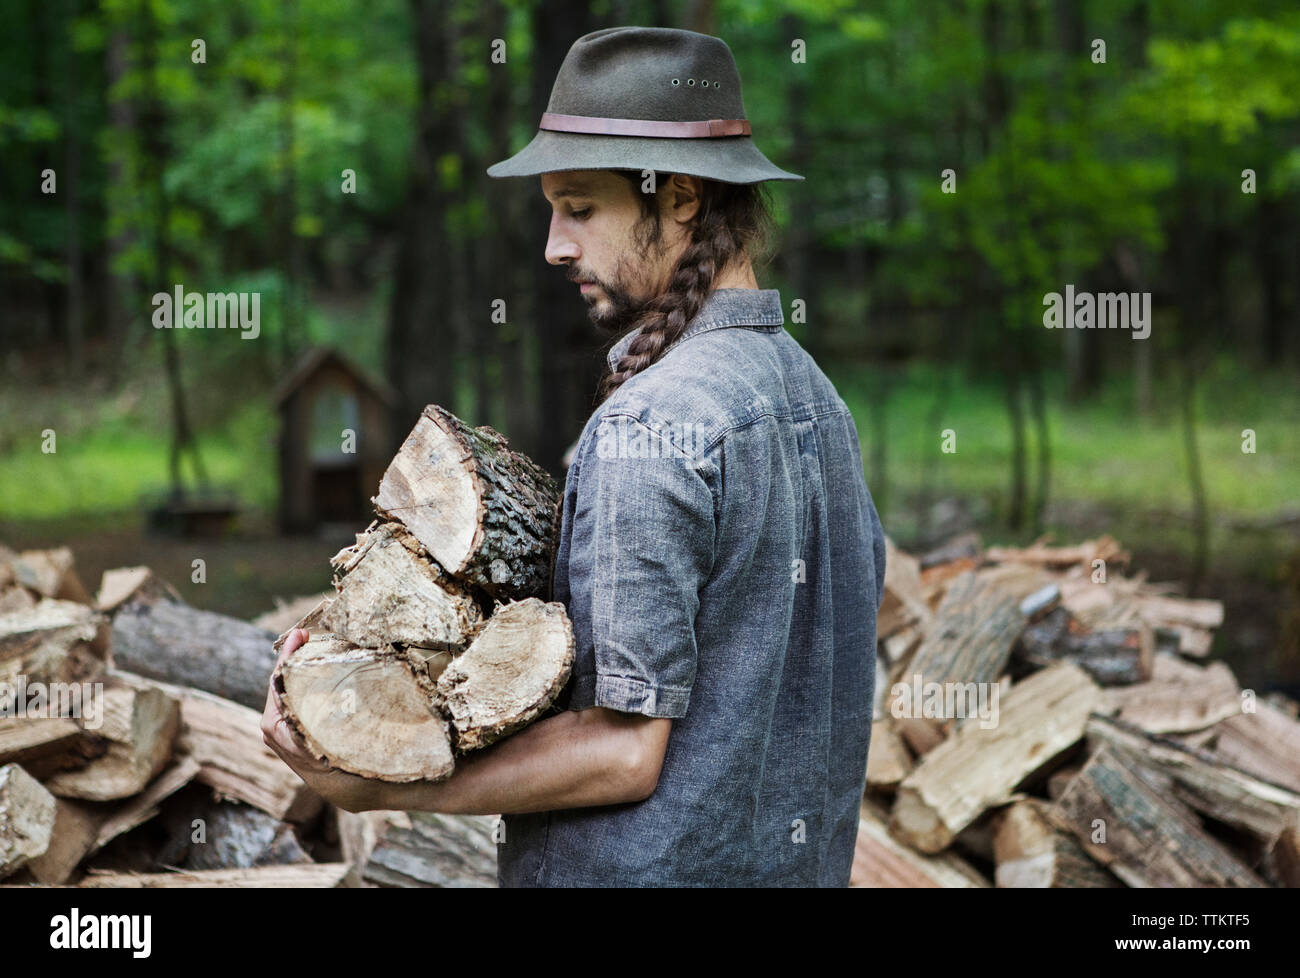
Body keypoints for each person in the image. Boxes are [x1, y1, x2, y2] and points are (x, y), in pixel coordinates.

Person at [262, 25, 886, 887]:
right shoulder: (819, 401)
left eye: (581, 209)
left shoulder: (652, 424)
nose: (555, 245)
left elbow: (625, 751)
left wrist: (376, 782)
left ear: (681, 199)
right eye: (554, 210)